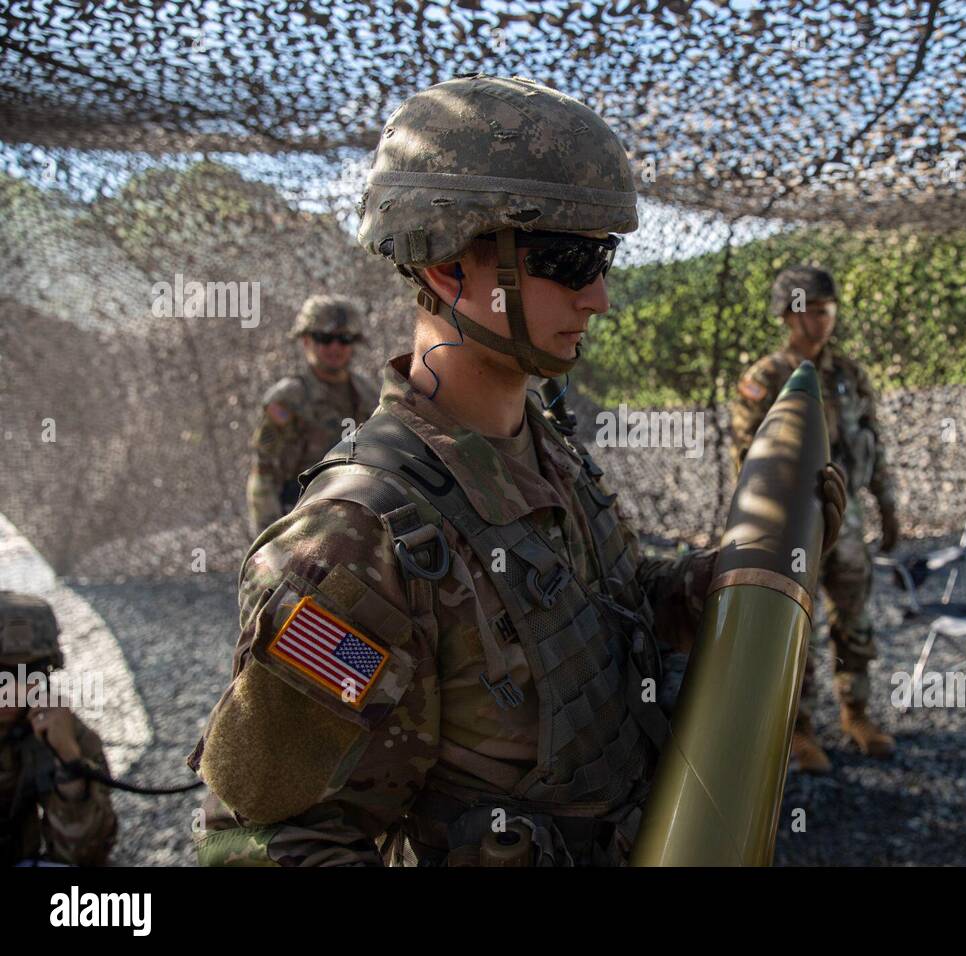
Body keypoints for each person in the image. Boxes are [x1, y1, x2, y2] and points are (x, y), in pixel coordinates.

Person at [189, 73, 846, 866]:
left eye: (602, 257)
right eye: (569, 259)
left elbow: (611, 618)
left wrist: (723, 585)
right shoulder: (357, 539)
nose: (598, 296)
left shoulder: (548, 450)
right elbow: (265, 843)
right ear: (445, 267)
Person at [730, 266, 899, 771]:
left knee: (854, 618)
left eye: (828, 310)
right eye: (810, 311)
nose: (822, 320)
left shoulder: (848, 375)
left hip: (844, 526)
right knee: (792, 625)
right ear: (787, 315)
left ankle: (857, 712)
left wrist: (887, 504)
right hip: (790, 527)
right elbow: (746, 455)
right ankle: (797, 729)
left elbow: (873, 440)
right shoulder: (767, 378)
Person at [245, 294, 378, 538]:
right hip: (300, 527)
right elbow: (264, 478)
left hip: (360, 528)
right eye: (324, 338)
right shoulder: (289, 399)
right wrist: (270, 542)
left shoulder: (370, 395)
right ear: (306, 341)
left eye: (344, 339)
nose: (335, 347)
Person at [0, 591, 117, 866]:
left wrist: (69, 761)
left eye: (28, 673)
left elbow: (86, 854)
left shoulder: (60, 731)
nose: (11, 689)